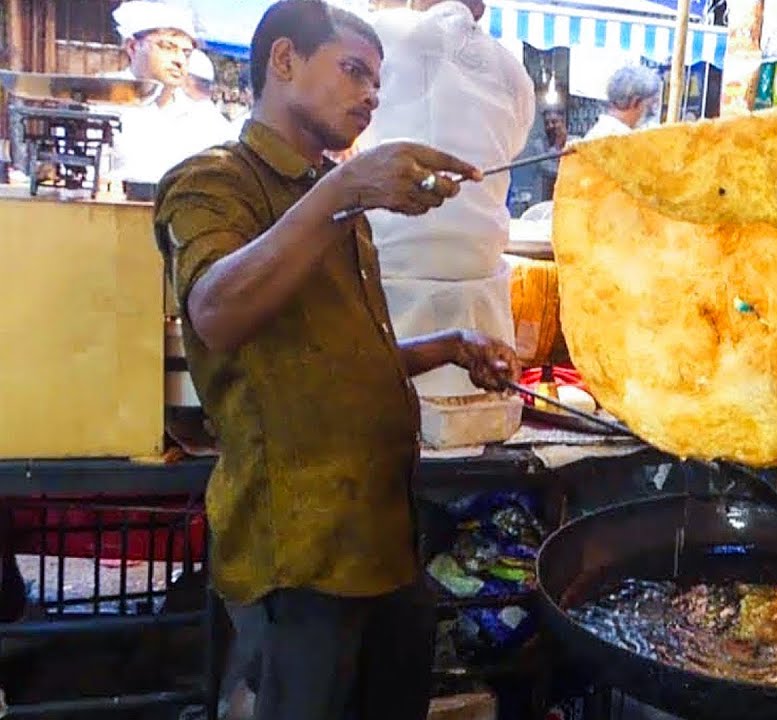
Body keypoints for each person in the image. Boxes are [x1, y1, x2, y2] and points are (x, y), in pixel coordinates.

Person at [152, 1, 519, 718]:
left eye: (378, 84)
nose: (371, 96)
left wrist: (449, 349)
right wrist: (342, 191)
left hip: (383, 539)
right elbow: (217, 314)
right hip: (300, 554)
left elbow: (339, 358)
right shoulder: (214, 182)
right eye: (353, 72)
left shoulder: (332, 201)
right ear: (284, 61)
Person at [360, 0, 535, 399]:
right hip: (483, 305)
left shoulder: (376, 37)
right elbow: (510, 148)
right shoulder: (514, 71)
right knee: (481, 433)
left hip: (390, 298)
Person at [103, 1, 233, 186]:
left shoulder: (205, 118)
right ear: (133, 47)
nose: (179, 60)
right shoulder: (101, 102)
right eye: (167, 47)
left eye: (186, 53)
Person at [584, 65, 663, 140]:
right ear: (636, 102)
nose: (654, 110)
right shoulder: (610, 139)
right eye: (653, 102)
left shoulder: (600, 133)